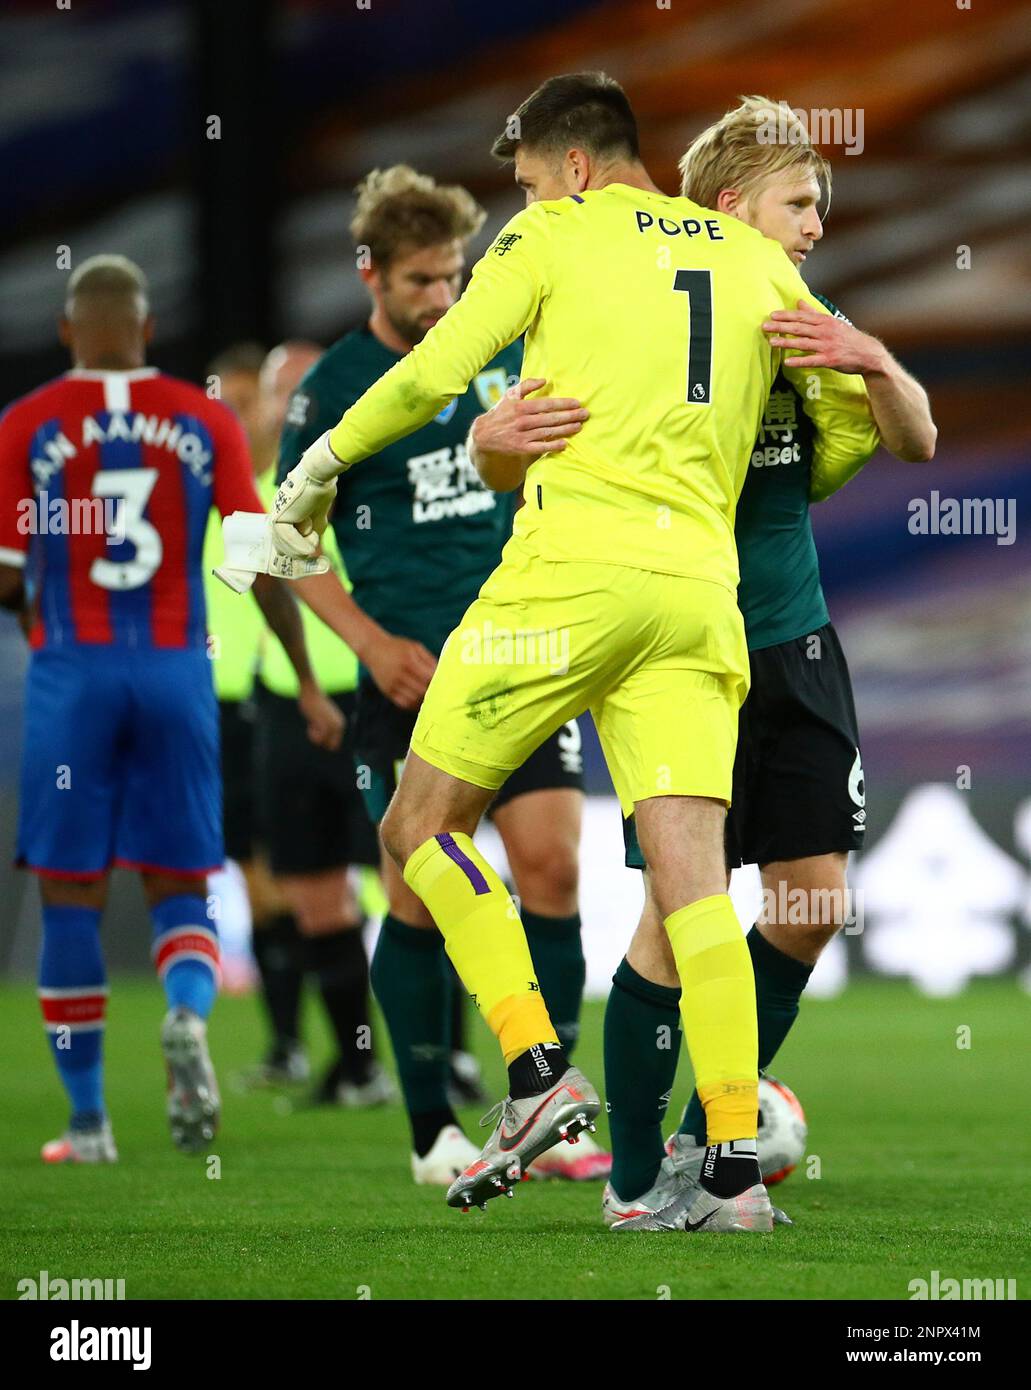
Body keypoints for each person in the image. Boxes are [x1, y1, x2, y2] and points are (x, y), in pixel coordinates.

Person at [268, 72, 880, 1230]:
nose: (521, 199)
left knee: (416, 825)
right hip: (700, 598)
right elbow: (840, 437)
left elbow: (440, 371)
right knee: (697, 884)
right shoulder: (752, 261)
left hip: (565, 585)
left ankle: (536, 1073)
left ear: (576, 168)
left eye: (528, 178)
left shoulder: (551, 234)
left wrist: (316, 469)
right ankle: (732, 1171)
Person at [592, 96, 937, 1230]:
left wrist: (869, 358)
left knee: (806, 901)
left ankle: (705, 1137)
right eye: (799, 202)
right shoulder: (642, 317)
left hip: (791, 641)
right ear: (729, 204)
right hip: (681, 652)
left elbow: (917, 440)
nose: (815, 226)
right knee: (671, 916)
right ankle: (636, 1181)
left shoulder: (803, 312)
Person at [278, 165, 605, 1183]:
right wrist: (369, 646)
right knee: (418, 898)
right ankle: (431, 1131)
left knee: (549, 868)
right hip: (408, 680)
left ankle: (546, 1108)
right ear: (369, 273)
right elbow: (277, 538)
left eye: (454, 277)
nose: (442, 300)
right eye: (421, 281)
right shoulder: (334, 388)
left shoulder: (498, 353)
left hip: (520, 655)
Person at [0, 256, 338, 1162]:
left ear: (68, 332)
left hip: (73, 674)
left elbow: (4, 573)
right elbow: (258, 562)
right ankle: (187, 1020)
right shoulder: (203, 419)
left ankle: (87, 1123)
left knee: (69, 898)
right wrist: (303, 678)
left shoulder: (25, 425)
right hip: (175, 675)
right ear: (149, 334)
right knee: (180, 887)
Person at [251, 342, 391, 1106]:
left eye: (304, 386)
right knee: (311, 891)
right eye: (282, 391)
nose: (293, 402)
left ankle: (456, 1056)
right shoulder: (256, 485)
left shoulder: (381, 458)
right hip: (290, 708)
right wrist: (301, 684)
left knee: (413, 879)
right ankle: (357, 1064)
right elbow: (262, 584)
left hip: (378, 693)